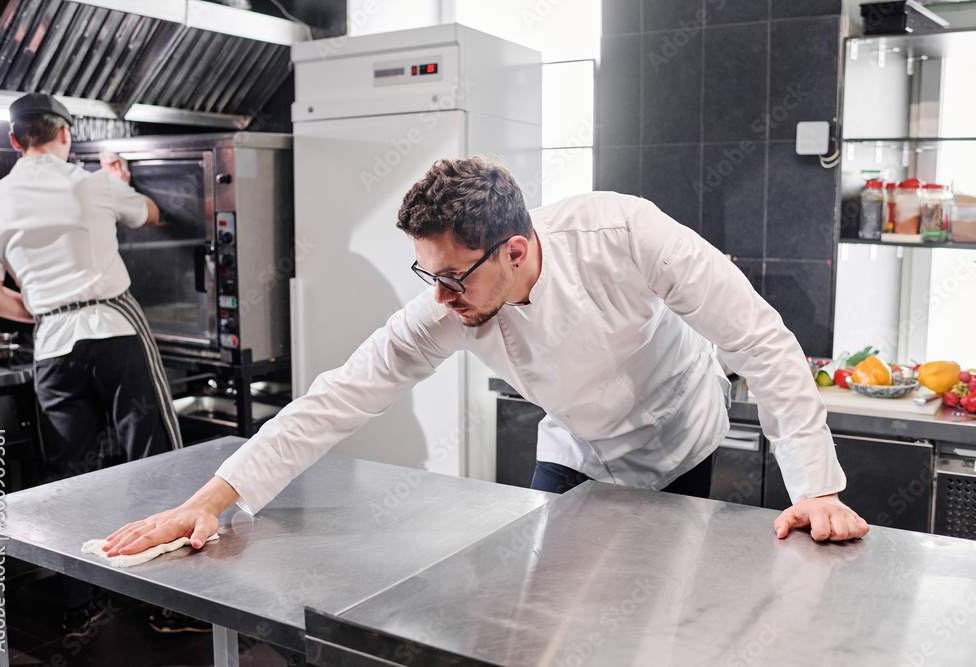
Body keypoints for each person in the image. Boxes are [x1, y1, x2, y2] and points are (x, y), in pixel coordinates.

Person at [105, 155, 868, 560]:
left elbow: (760, 339)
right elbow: (338, 396)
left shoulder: (626, 233)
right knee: (544, 607)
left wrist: (819, 487)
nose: (438, 296)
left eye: (450, 277)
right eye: (425, 275)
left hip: (678, 434)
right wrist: (207, 502)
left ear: (515, 248)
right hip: (577, 446)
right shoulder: (456, 301)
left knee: (659, 600)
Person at [0, 93, 184, 635]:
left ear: (15, 140)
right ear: (64, 135)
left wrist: (47, 309)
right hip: (115, 331)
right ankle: (170, 605)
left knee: (68, 477)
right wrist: (119, 180)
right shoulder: (92, 184)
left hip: (52, 347)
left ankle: (78, 608)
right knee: (156, 460)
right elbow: (155, 214)